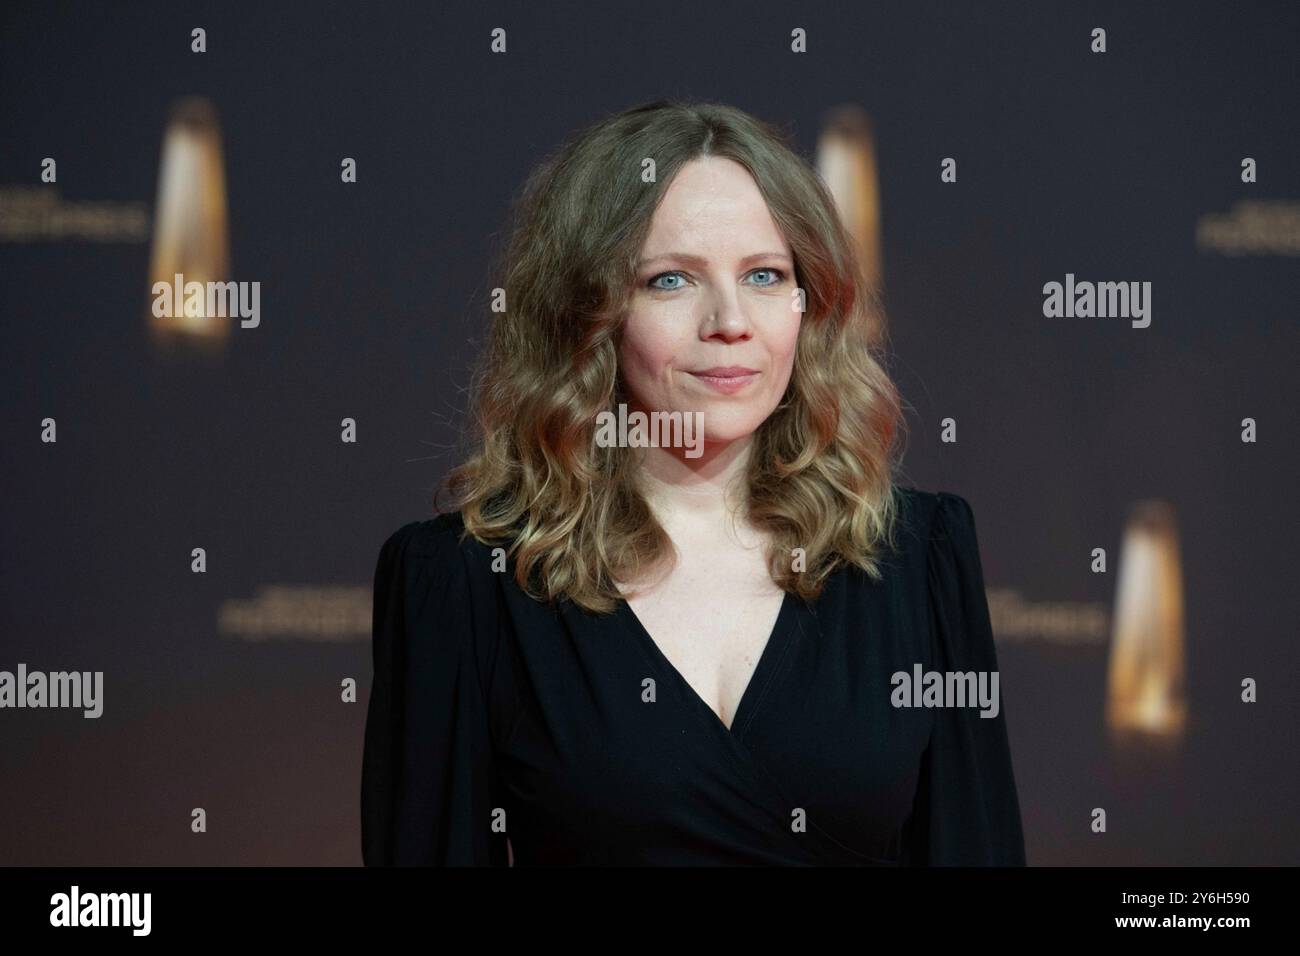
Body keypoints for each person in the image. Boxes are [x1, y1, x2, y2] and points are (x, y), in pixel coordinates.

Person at [361, 99, 1026, 866]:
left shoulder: (919, 558)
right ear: (588, 314)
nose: (731, 321)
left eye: (766, 276)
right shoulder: (465, 584)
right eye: (671, 280)